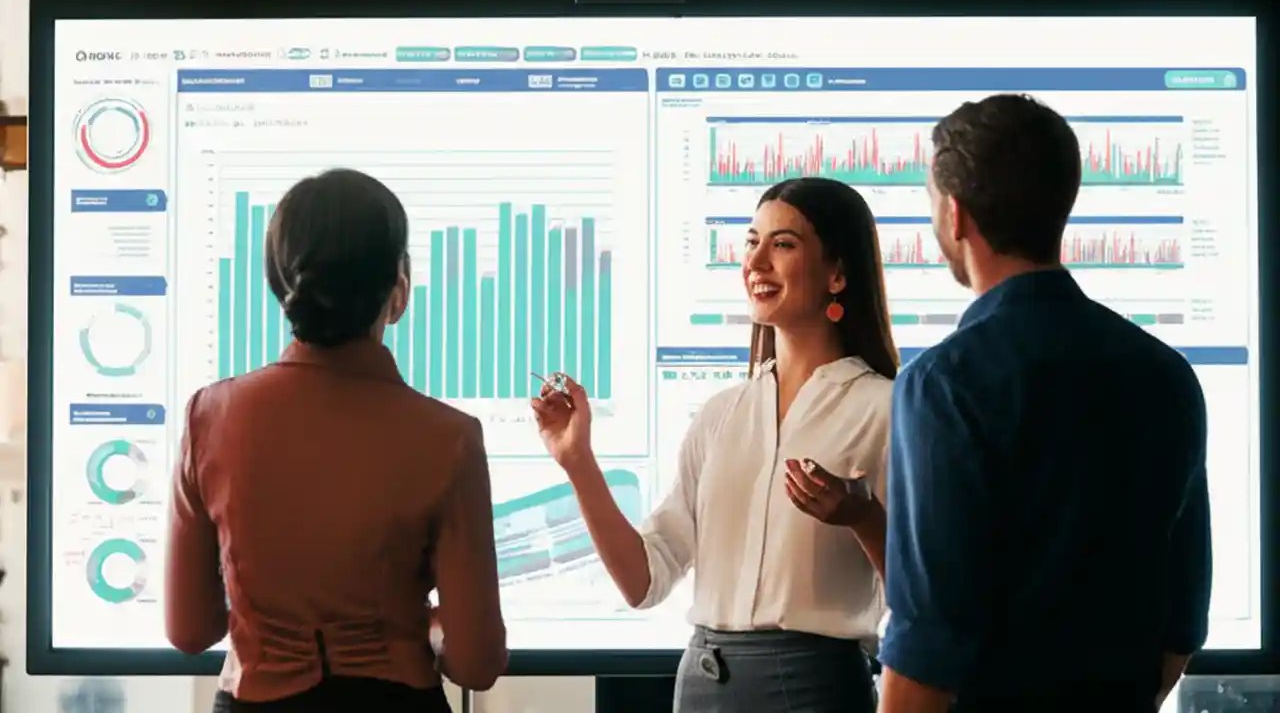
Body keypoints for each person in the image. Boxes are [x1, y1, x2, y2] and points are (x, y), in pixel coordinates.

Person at [877, 94, 1212, 713]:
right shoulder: (1168, 374)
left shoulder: (942, 383)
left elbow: (926, 647)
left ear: (955, 215)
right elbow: (1182, 622)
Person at [533, 177, 899, 712]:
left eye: (784, 244)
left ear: (838, 274)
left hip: (814, 689)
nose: (757, 262)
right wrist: (578, 462)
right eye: (752, 242)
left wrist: (860, 516)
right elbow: (643, 581)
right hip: (702, 685)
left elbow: (925, 596)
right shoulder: (721, 414)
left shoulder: (886, 409)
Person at [165, 169, 508, 712]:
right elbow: (477, 662)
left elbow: (188, 630)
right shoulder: (450, 439)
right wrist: (422, 625)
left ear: (282, 285)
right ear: (398, 289)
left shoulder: (209, 416)